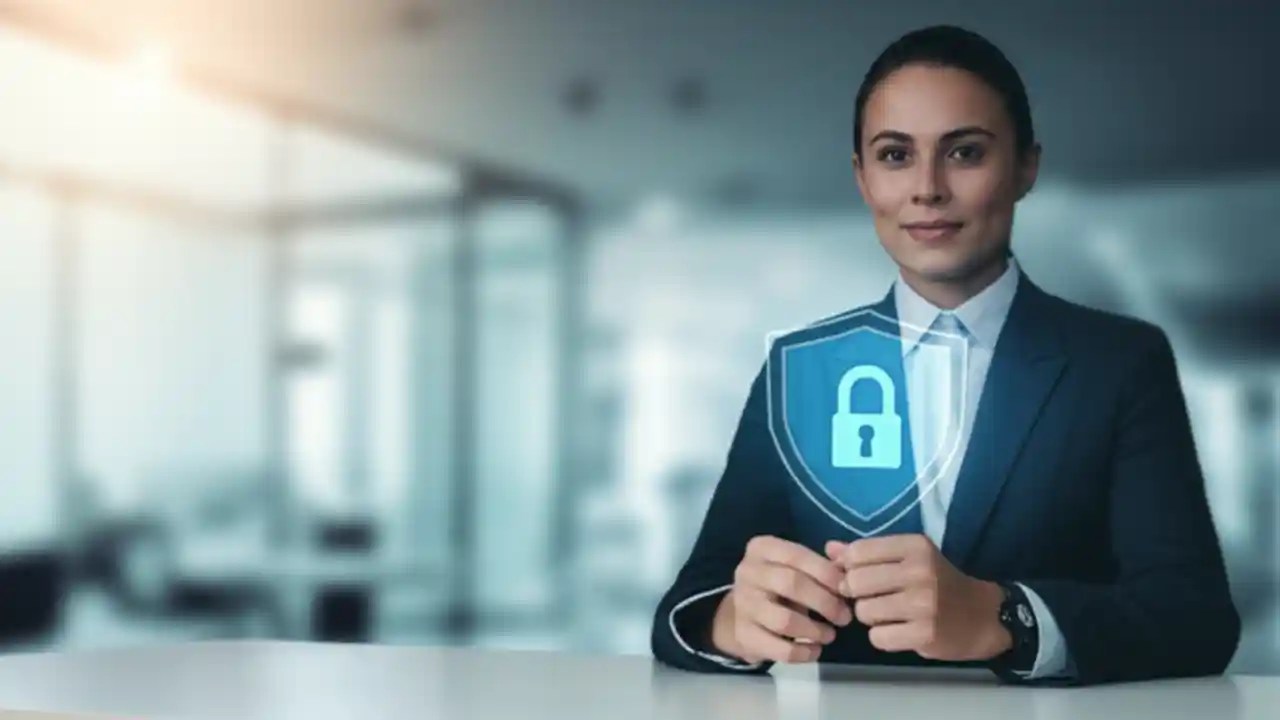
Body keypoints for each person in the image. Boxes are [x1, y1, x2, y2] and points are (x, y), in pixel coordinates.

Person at [650, 24, 1240, 686]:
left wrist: (1004, 617)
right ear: (862, 177)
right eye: (895, 156)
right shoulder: (803, 367)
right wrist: (731, 621)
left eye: (964, 153)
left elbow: (1196, 619)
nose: (926, 188)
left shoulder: (1120, 363)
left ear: (1025, 167)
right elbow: (687, 607)